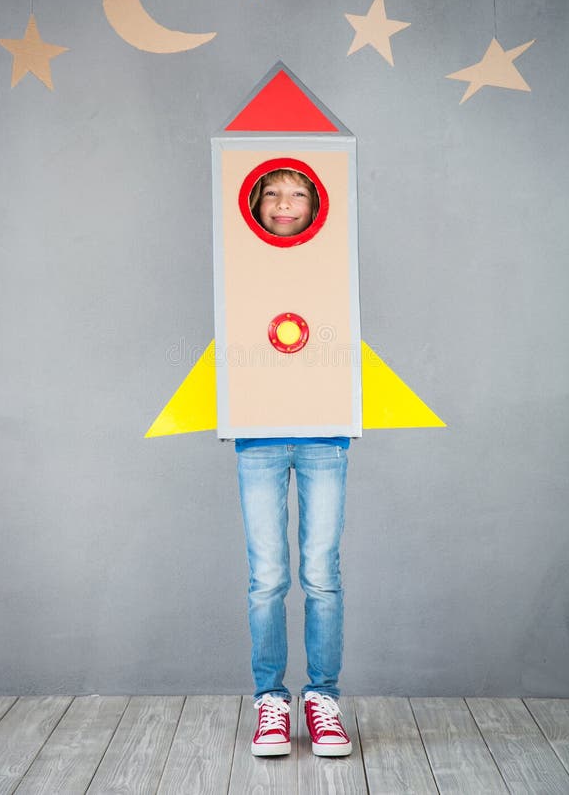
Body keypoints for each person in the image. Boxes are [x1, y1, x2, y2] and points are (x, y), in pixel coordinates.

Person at [237, 168, 353, 758]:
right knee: (267, 579)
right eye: (274, 191)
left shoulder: (332, 261)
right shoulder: (239, 262)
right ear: (255, 201)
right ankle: (271, 702)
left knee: (321, 575)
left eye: (299, 192)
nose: (285, 202)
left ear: (316, 204)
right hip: (257, 434)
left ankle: (322, 698)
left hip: (323, 433)